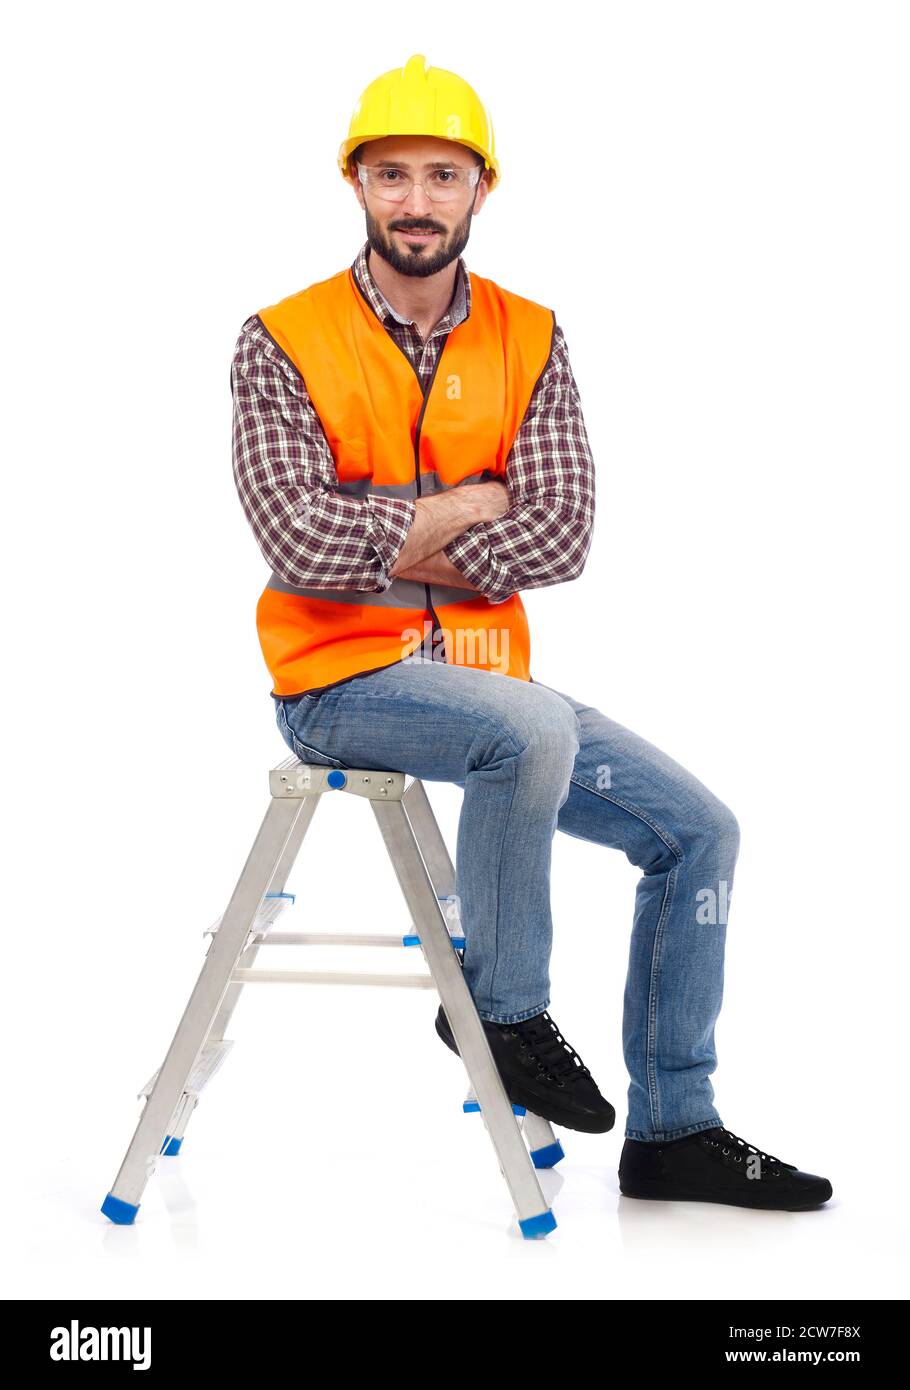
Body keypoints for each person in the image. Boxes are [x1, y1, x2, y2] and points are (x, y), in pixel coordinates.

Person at [230, 54, 832, 1211]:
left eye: (441, 174)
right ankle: (500, 1011)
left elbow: (561, 535)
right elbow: (297, 545)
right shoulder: (281, 338)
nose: (416, 198)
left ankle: (675, 1127)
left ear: (480, 189)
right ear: (356, 184)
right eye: (392, 173)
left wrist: (388, 529)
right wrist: (463, 503)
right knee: (523, 733)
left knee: (699, 831)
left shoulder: (531, 336)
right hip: (338, 682)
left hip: (488, 679)